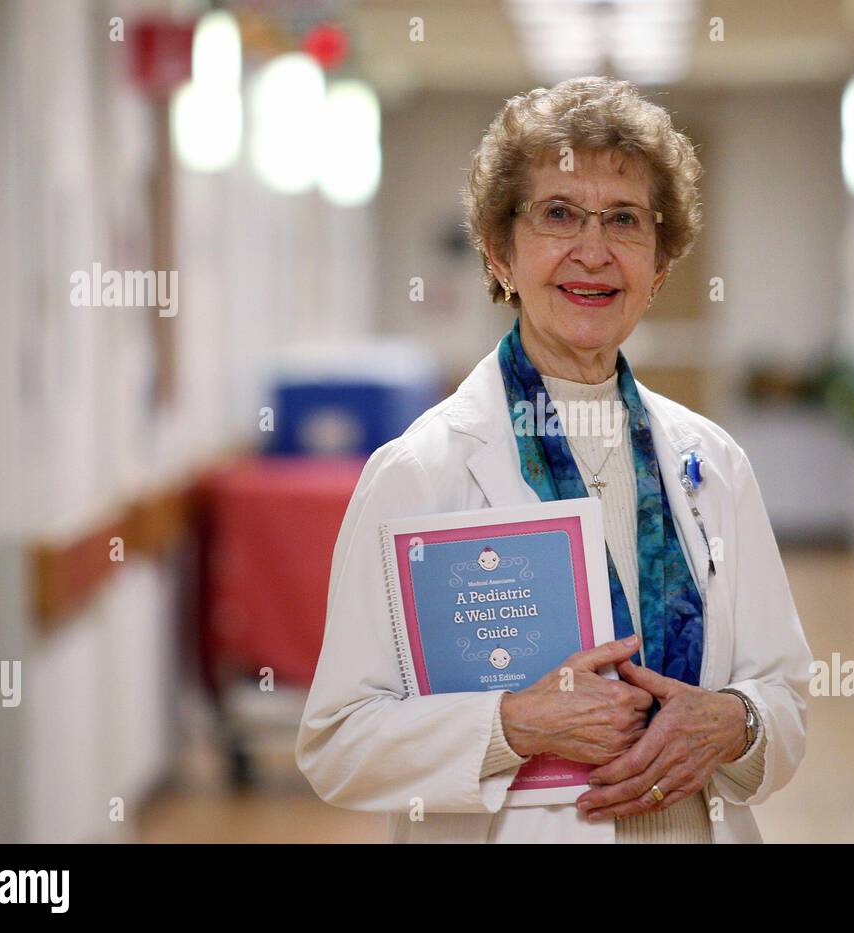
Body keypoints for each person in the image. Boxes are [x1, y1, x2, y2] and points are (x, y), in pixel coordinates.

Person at [296, 75, 813, 843]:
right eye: (559, 214)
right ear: (500, 251)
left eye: (625, 220)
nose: (594, 251)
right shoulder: (420, 472)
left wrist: (735, 721)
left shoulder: (715, 463)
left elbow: (787, 698)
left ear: (660, 266)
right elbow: (337, 741)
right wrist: (512, 724)